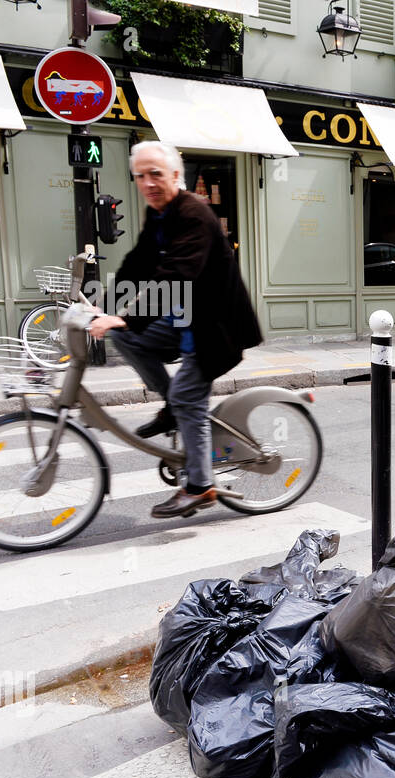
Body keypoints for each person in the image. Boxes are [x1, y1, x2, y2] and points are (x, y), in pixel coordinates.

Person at [88, 142, 262, 519]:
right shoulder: (159, 215)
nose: (148, 183)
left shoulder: (194, 214)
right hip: (184, 318)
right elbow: (138, 264)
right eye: (140, 176)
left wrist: (128, 316)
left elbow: (177, 274)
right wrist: (103, 305)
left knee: (187, 397)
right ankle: (173, 407)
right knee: (126, 338)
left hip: (215, 329)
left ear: (175, 176)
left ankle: (200, 487)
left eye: (156, 174)